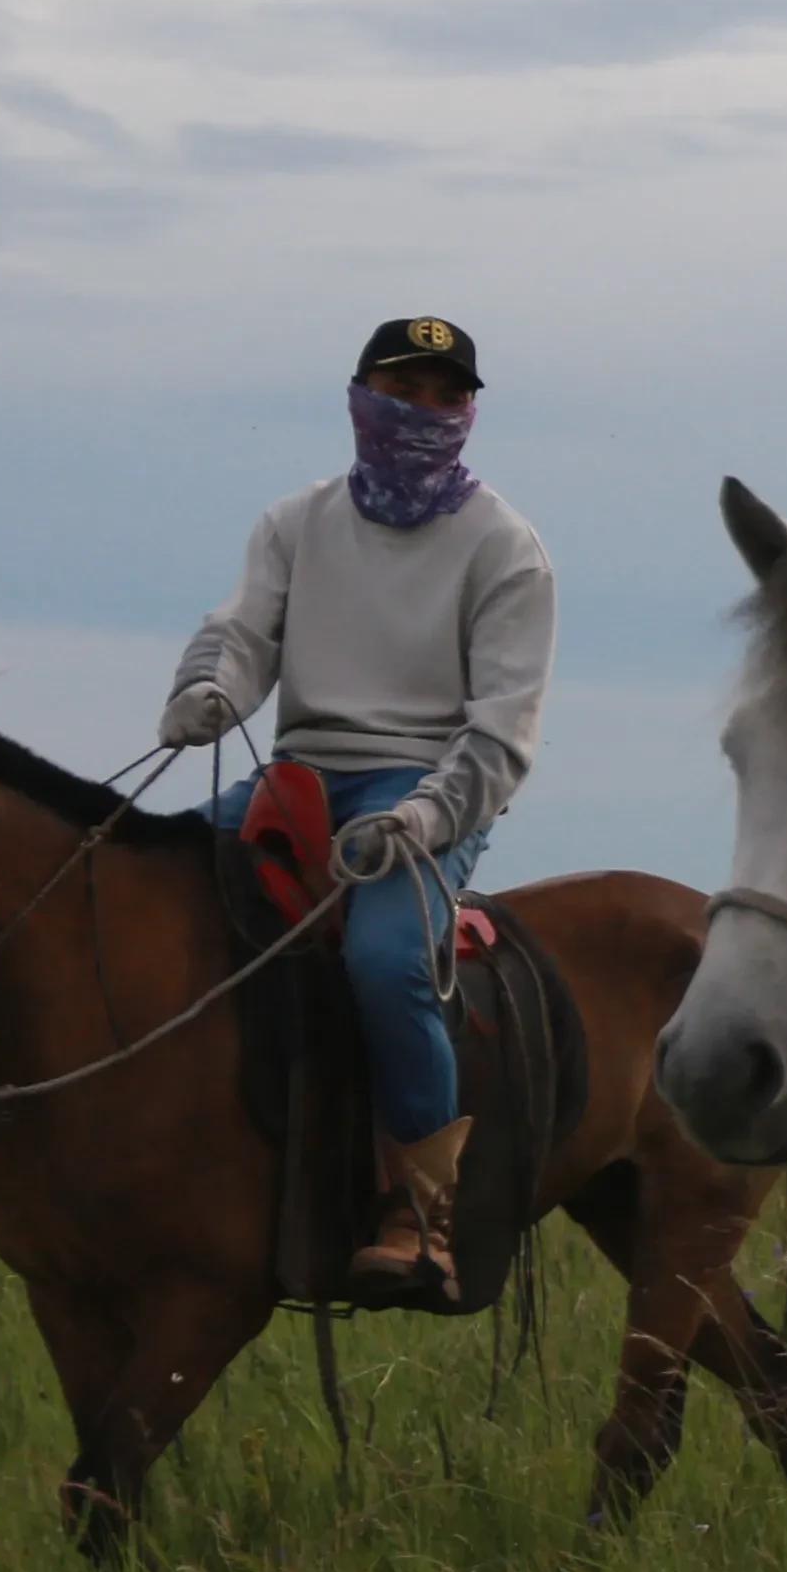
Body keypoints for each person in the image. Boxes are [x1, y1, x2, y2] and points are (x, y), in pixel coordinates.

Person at [160, 314, 557, 1304]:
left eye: (442, 395)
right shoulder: (297, 523)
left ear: (468, 410)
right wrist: (211, 691)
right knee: (153, 894)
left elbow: (503, 733)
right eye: (400, 390)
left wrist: (424, 820)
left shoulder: (505, 549)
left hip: (423, 790)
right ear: (358, 396)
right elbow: (244, 630)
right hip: (296, 776)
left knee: (386, 962)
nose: (419, 412)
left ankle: (422, 1220)